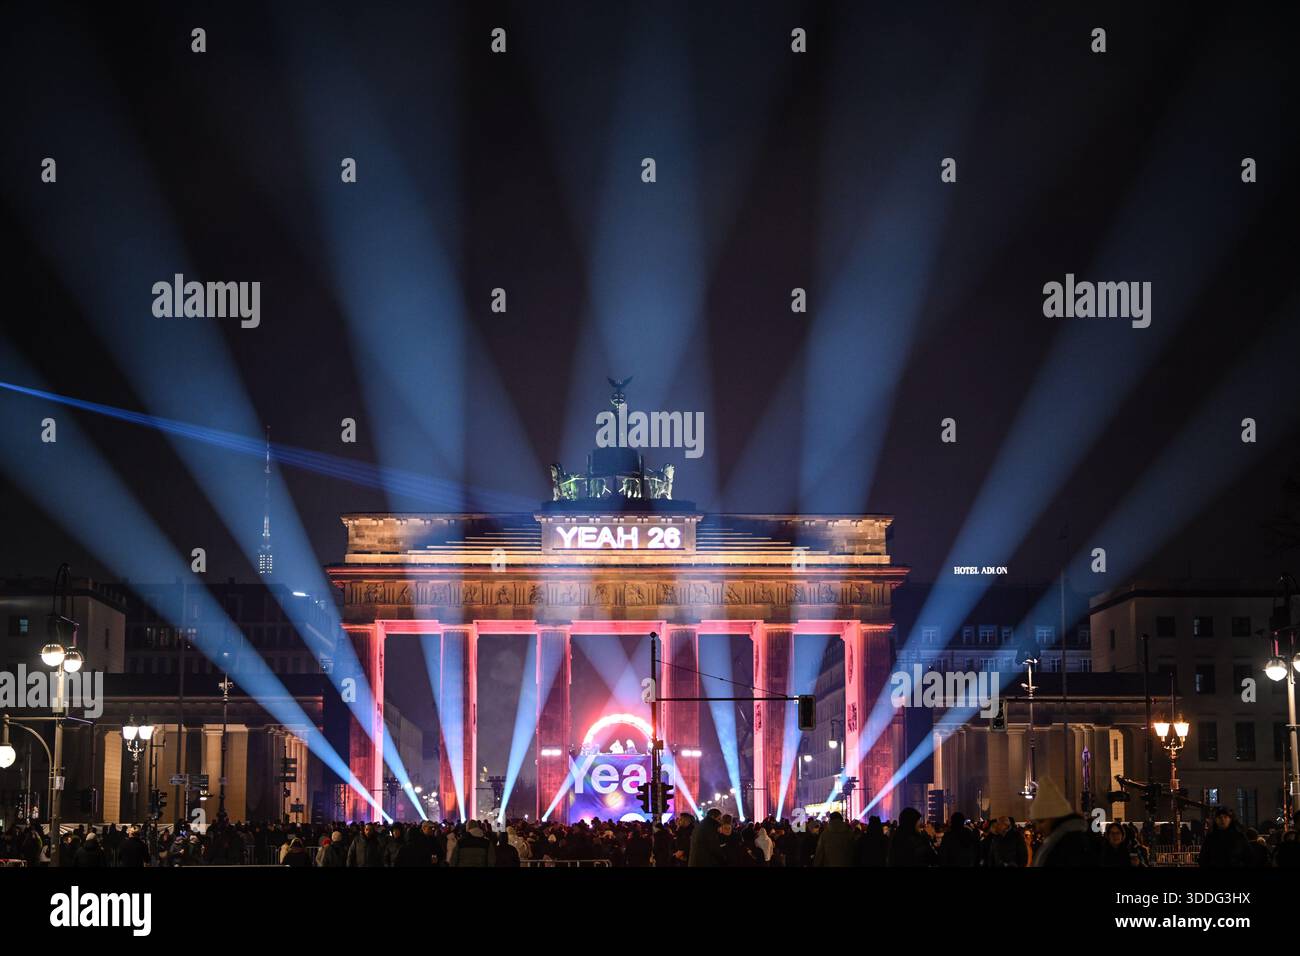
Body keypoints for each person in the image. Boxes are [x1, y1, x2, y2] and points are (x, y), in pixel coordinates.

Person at [1029, 777, 1099, 866]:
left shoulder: (1068, 846)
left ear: (1055, 817)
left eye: (1041, 821)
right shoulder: (1061, 841)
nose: (1038, 828)